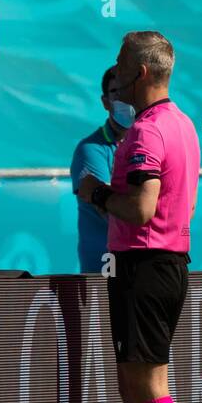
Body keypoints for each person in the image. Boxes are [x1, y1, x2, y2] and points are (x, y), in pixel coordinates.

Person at [76, 31, 200, 403]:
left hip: (144, 264)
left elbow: (142, 207)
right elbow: (185, 206)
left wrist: (98, 196)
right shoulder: (183, 126)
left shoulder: (147, 131)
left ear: (142, 73)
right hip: (170, 262)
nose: (117, 70)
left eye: (123, 62)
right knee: (148, 382)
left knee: (145, 383)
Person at [69, 66, 129, 274]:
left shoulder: (150, 143)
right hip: (102, 269)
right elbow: (112, 214)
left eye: (127, 90)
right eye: (115, 92)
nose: (122, 98)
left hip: (139, 269)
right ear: (105, 102)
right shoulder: (90, 149)